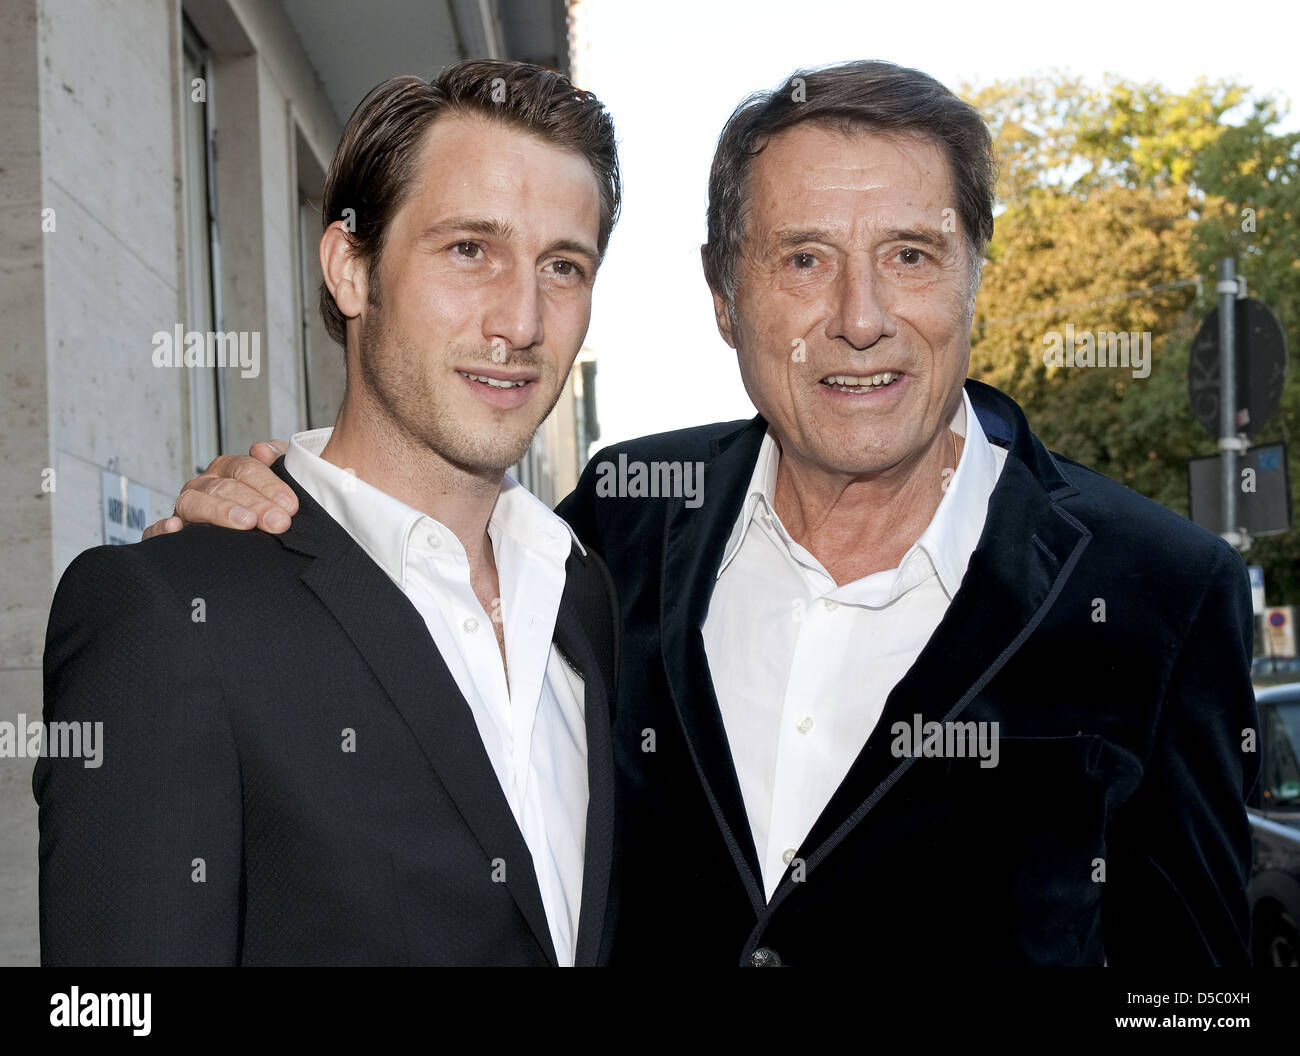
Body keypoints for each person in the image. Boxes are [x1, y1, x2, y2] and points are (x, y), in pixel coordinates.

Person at [147, 60, 1259, 966]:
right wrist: (274, 518)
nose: (859, 318)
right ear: (723, 295)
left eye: (910, 257)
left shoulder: (1158, 592)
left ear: (973, 279)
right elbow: (414, 579)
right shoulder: (616, 528)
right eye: (803, 260)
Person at [36, 60, 622, 966]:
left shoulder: (584, 599)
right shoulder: (171, 615)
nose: (521, 318)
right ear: (351, 269)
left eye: (564, 266)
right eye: (470, 249)